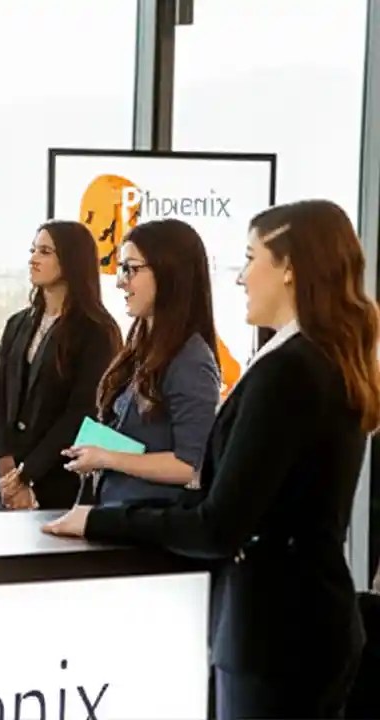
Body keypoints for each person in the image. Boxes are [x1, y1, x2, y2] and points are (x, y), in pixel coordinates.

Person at [44, 199, 380, 719]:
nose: (242, 278)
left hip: (276, 634)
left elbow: (219, 524)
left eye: (251, 258)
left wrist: (101, 521)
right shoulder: (319, 360)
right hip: (301, 625)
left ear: (289, 269)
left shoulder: (289, 371)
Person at [62, 219, 220, 505]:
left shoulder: (191, 360)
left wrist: (108, 457)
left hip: (152, 528)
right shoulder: (140, 348)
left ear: (169, 273)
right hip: (117, 515)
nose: (121, 281)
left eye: (131, 269)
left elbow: (190, 466)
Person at [0, 221, 122, 511]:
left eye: (45, 251)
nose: (33, 259)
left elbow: (83, 412)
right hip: (10, 485)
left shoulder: (97, 331)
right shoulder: (17, 324)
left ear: (71, 260)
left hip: (62, 484)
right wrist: (8, 472)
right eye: (33, 250)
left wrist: (27, 475)